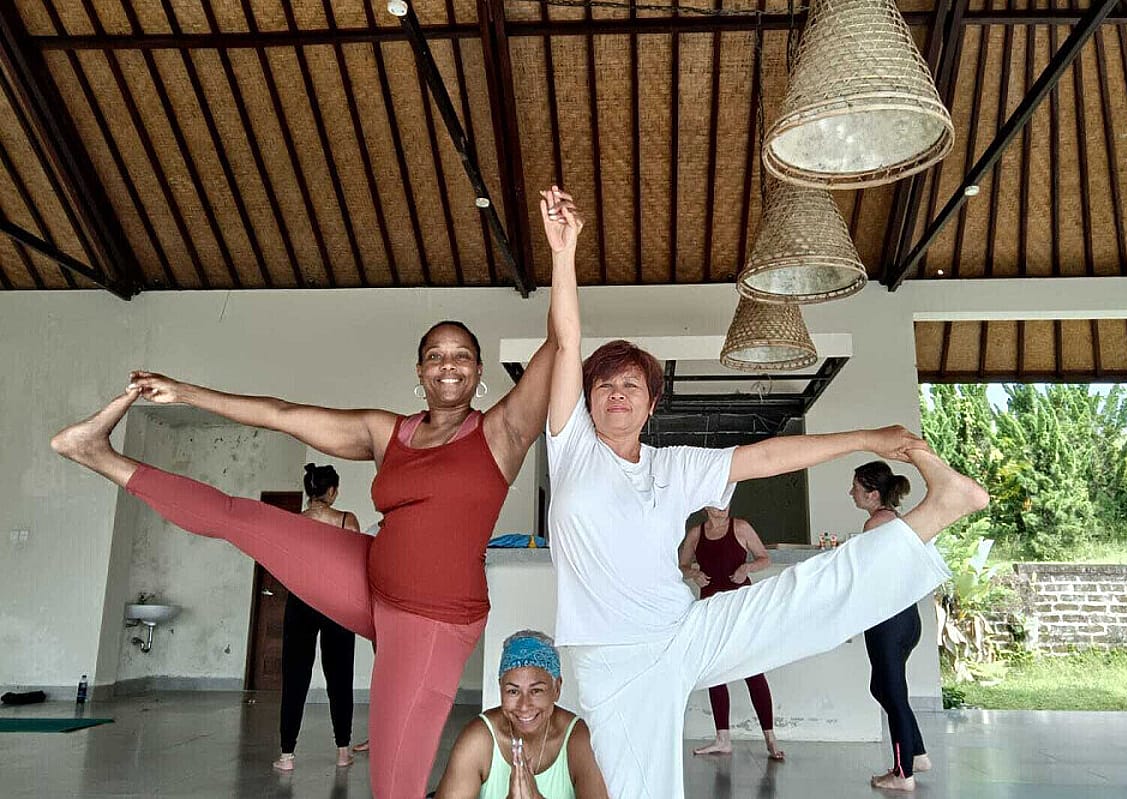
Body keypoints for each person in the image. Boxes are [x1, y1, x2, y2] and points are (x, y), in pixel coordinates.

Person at [49, 196, 565, 798]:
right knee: (240, 517)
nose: (448, 364)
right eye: (435, 355)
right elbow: (283, 413)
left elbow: (559, 342)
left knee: (393, 787)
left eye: (462, 357)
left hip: (431, 623)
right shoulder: (386, 431)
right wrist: (185, 392)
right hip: (371, 580)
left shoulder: (499, 432)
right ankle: (97, 453)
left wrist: (563, 253)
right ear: (419, 371)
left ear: (478, 373)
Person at [540, 185, 990, 799]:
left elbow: (765, 457)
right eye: (605, 386)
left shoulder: (673, 465)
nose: (616, 394)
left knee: (805, 593)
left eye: (631, 385)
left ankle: (942, 507)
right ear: (588, 401)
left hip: (683, 628)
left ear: (650, 404)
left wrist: (864, 436)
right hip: (610, 656)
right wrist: (564, 255)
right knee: (632, 787)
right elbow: (567, 341)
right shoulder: (570, 449)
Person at [433, 630, 609, 799]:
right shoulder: (479, 738)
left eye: (536, 691)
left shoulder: (578, 740)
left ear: (556, 688)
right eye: (513, 692)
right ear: (500, 687)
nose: (524, 706)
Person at [273, 463, 361, 773]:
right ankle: (342, 751)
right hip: (337, 604)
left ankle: (287, 756)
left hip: (301, 603)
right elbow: (356, 565)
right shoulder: (346, 521)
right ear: (332, 491)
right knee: (340, 678)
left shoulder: (293, 523)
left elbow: (284, 566)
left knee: (295, 678)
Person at [851, 461, 933, 792]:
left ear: (873, 494)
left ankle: (903, 773)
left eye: (855, 487)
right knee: (883, 688)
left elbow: (866, 574)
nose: (851, 492)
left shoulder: (876, 524)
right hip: (905, 620)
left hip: (888, 621)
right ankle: (917, 753)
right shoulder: (895, 521)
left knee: (893, 694)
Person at [678, 506, 783, 761]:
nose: (723, 507)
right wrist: (693, 573)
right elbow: (680, 565)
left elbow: (764, 558)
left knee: (752, 670)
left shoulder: (740, 527)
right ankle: (722, 738)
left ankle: (770, 737)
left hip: (740, 610)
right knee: (715, 672)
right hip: (711, 610)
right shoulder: (696, 533)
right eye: (718, 502)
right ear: (706, 505)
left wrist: (746, 569)